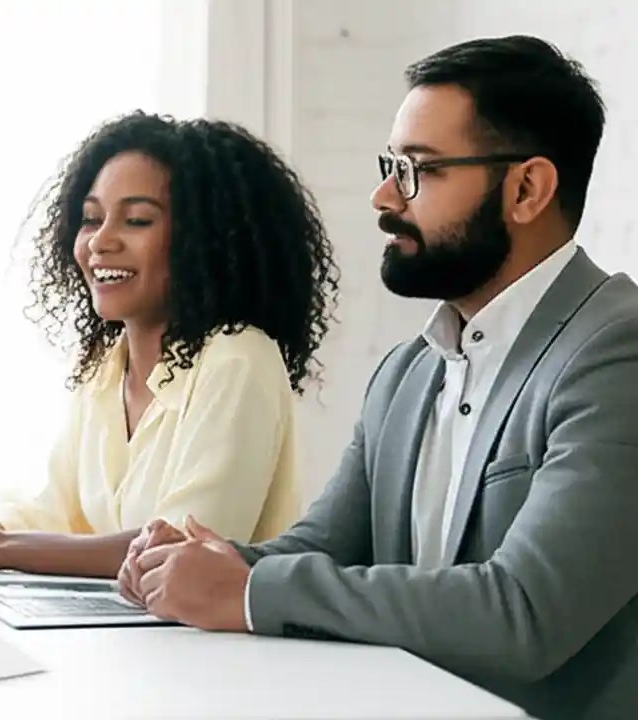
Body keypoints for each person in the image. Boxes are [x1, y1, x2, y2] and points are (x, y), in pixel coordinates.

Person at [119, 36, 638, 720]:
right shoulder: (408, 372)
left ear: (526, 189)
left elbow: (526, 613)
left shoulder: (615, 351)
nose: (384, 196)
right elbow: (319, 550)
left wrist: (247, 590)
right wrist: (199, 561)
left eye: (418, 170)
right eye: (389, 165)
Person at [0, 112, 339, 579]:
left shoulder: (239, 358)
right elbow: (51, 513)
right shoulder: (105, 371)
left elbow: (184, 550)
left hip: (215, 653)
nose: (100, 242)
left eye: (136, 220)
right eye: (91, 219)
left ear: (205, 239)